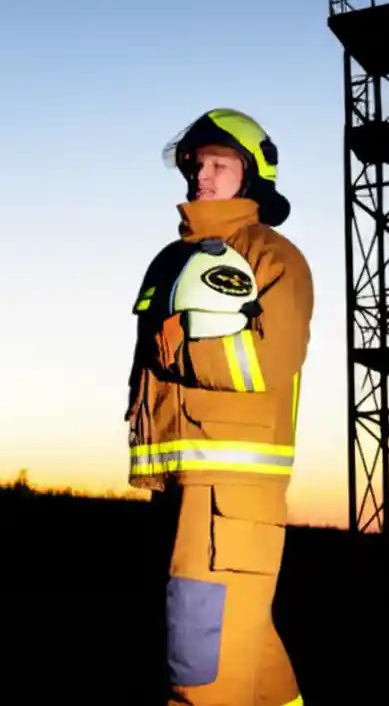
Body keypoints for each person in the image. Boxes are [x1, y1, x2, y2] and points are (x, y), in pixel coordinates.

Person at [125, 108, 314, 706]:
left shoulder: (269, 253)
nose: (201, 176)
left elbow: (265, 360)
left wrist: (177, 347)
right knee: (254, 669)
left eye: (219, 164)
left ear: (251, 176)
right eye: (196, 164)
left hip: (226, 500)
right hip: (189, 489)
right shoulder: (180, 256)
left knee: (200, 681)